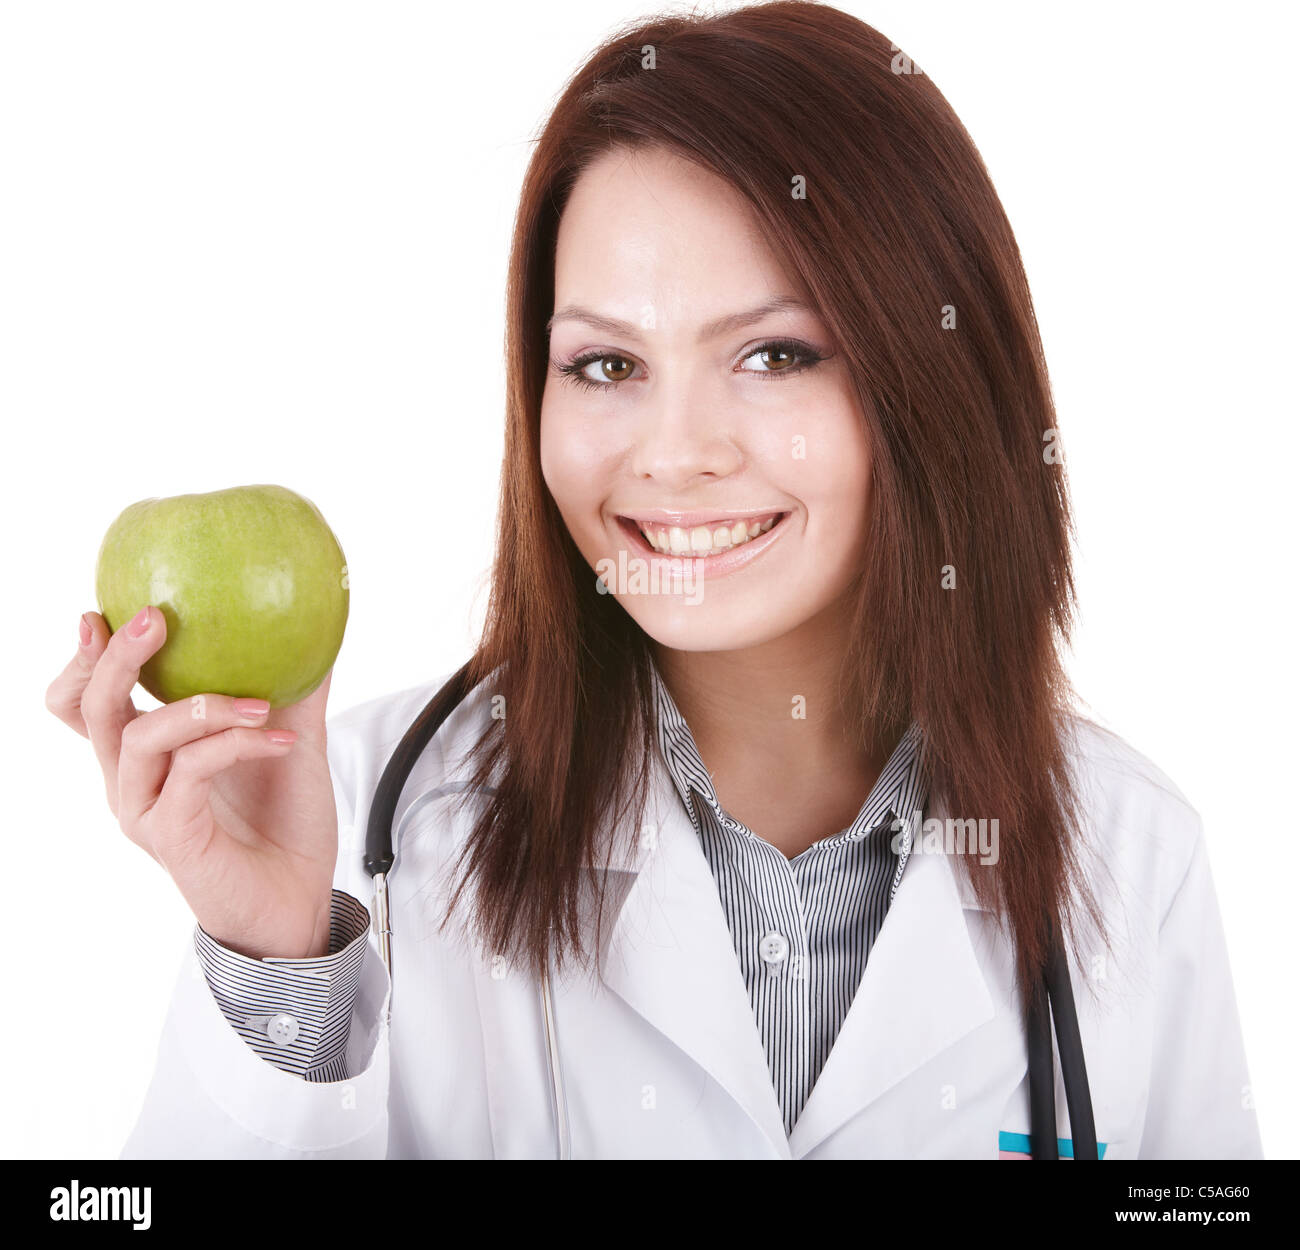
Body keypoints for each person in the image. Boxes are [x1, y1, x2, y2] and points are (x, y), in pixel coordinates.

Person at [45, 1, 1261, 1159]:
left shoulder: (1129, 855)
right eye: (606, 363)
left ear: (933, 380)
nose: (674, 451)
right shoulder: (365, 832)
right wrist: (276, 956)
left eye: (775, 353)